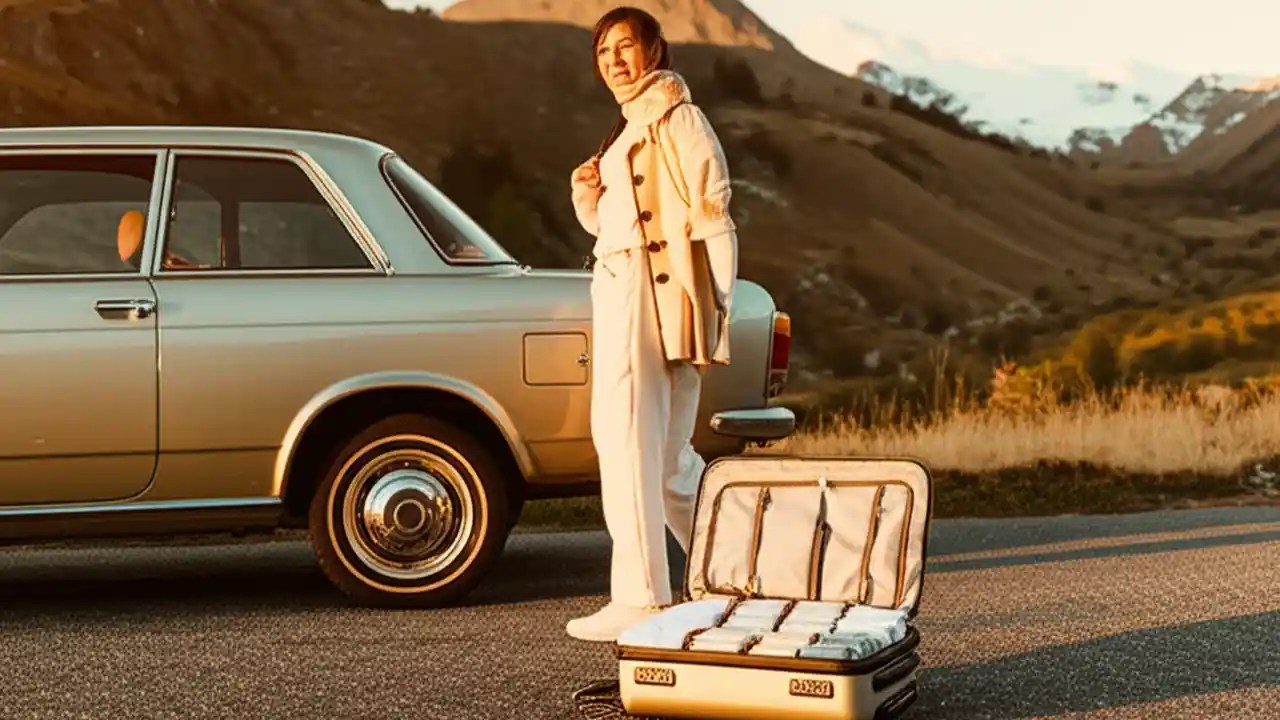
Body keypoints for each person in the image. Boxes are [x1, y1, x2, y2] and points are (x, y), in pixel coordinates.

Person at [566, 5, 739, 642]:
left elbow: (713, 210)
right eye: (603, 50)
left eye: (625, 46)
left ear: (655, 50)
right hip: (626, 283)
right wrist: (589, 196)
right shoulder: (629, 125)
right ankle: (739, 571)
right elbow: (616, 224)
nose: (613, 59)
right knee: (667, 458)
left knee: (627, 442)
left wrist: (714, 312)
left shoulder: (675, 116)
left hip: (645, 292)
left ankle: (640, 599)